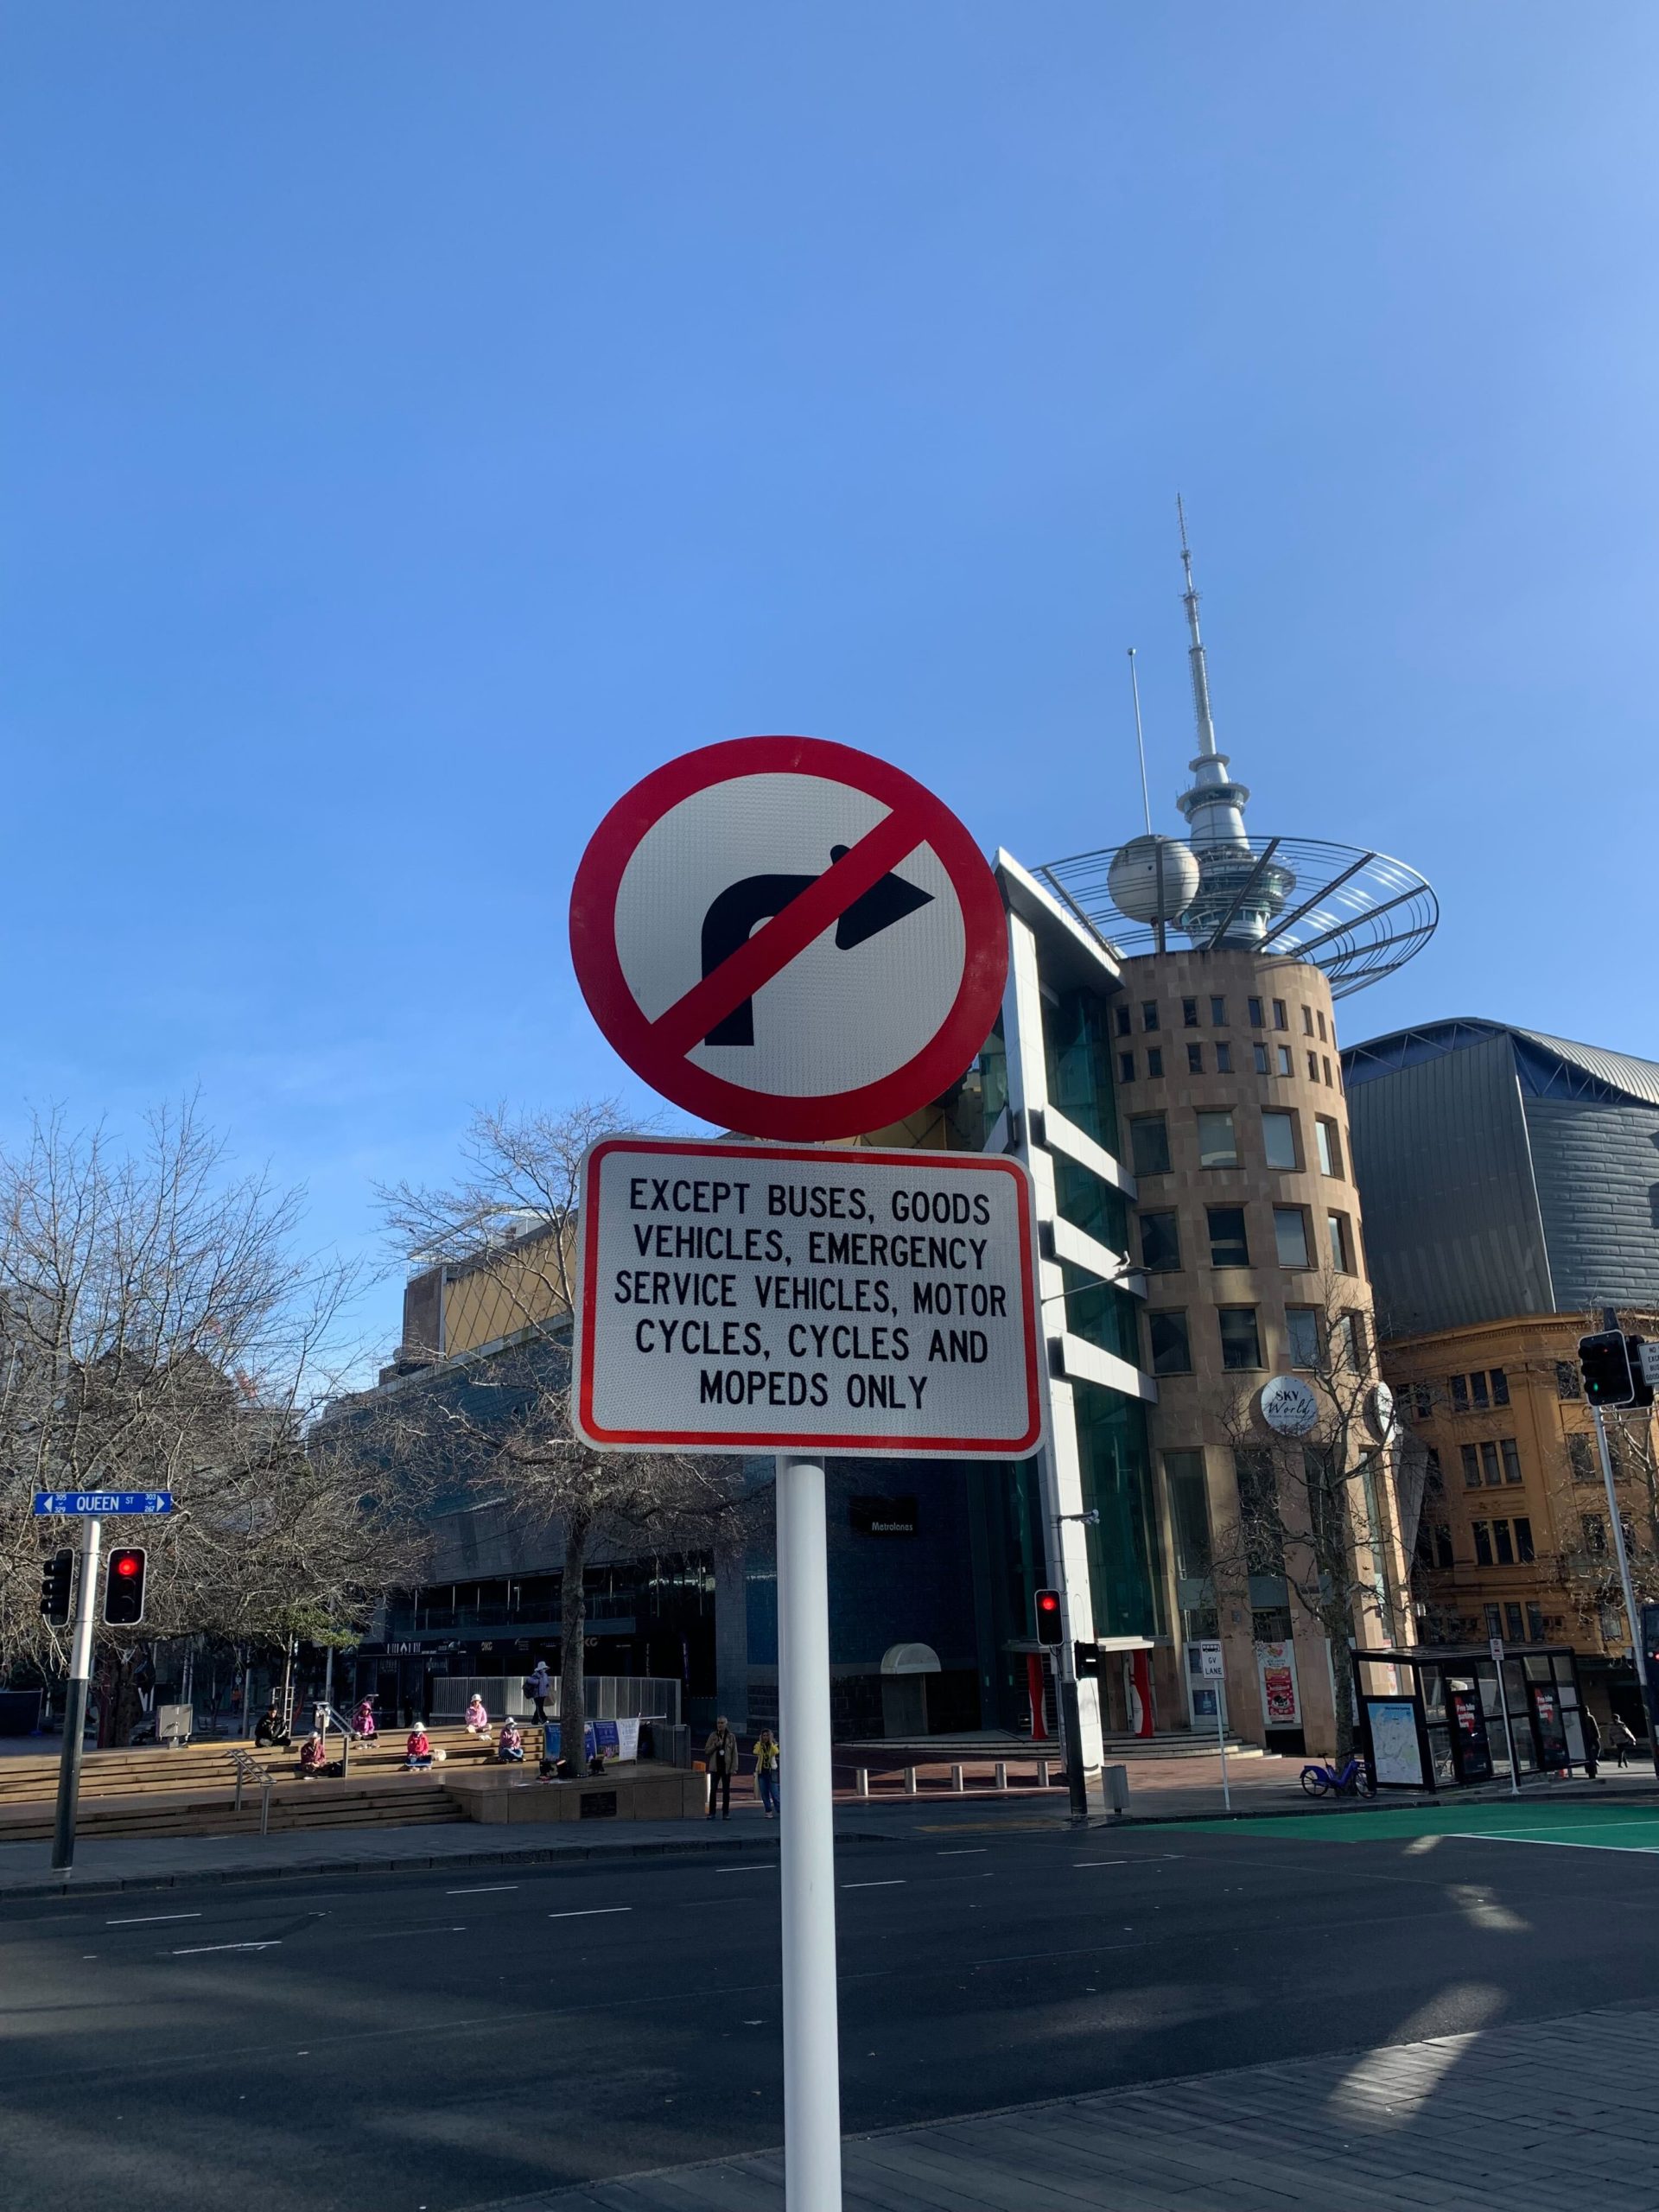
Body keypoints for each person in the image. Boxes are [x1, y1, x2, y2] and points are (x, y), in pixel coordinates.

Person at [703, 1716, 740, 1821]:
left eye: (722, 1723)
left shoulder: (731, 1737)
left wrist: (734, 1767)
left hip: (726, 1768)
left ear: (726, 1724)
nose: (720, 1725)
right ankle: (712, 1812)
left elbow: (735, 1753)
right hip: (715, 1767)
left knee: (726, 1791)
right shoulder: (713, 1736)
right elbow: (706, 1751)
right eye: (718, 1723)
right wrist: (715, 1745)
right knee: (713, 1790)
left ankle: (726, 1813)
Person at [753, 1726, 780, 1819]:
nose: (765, 1737)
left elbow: (776, 1751)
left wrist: (771, 1743)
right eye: (764, 1736)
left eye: (767, 1736)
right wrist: (761, 1744)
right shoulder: (759, 1745)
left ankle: (779, 1809)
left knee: (774, 1792)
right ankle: (768, 1810)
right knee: (764, 1793)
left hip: (771, 1771)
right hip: (762, 1772)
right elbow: (755, 1751)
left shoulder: (774, 1745)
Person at [525, 1659, 551, 1724]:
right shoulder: (536, 1675)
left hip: (543, 1694)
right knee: (539, 1708)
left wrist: (547, 1686)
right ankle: (544, 1719)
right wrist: (537, 1682)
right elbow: (529, 1680)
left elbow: (546, 1683)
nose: (544, 1670)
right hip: (536, 1694)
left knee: (539, 1708)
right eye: (543, 1668)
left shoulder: (545, 1675)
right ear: (540, 1669)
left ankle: (534, 1721)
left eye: (544, 1668)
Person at [1583, 1707, 1602, 1780]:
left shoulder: (1581, 1717)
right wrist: (1598, 1735)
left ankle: (1591, 1763)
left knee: (1588, 1751)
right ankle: (1596, 1758)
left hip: (1586, 1737)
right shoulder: (1590, 1717)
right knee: (1598, 1747)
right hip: (1593, 1736)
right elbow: (1595, 1726)